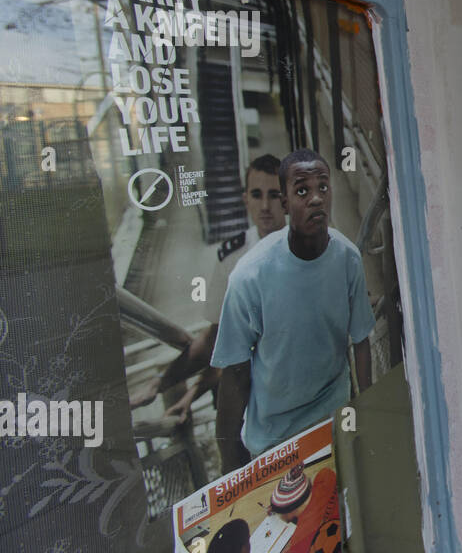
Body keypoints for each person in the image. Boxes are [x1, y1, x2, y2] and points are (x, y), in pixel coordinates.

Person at [210, 149, 375, 457]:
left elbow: (362, 339)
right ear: (285, 202)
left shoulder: (347, 258)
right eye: (302, 190)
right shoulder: (249, 276)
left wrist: (364, 414)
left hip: (332, 424)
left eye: (322, 188)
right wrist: (229, 459)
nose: (315, 199)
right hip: (272, 441)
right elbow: (234, 372)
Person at [132, 153, 287, 472]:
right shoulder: (231, 258)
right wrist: (162, 385)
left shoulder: (307, 251)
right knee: (236, 469)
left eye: (274, 195)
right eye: (257, 195)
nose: (265, 206)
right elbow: (219, 342)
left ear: (286, 200)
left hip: (290, 392)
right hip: (246, 397)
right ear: (245, 200)